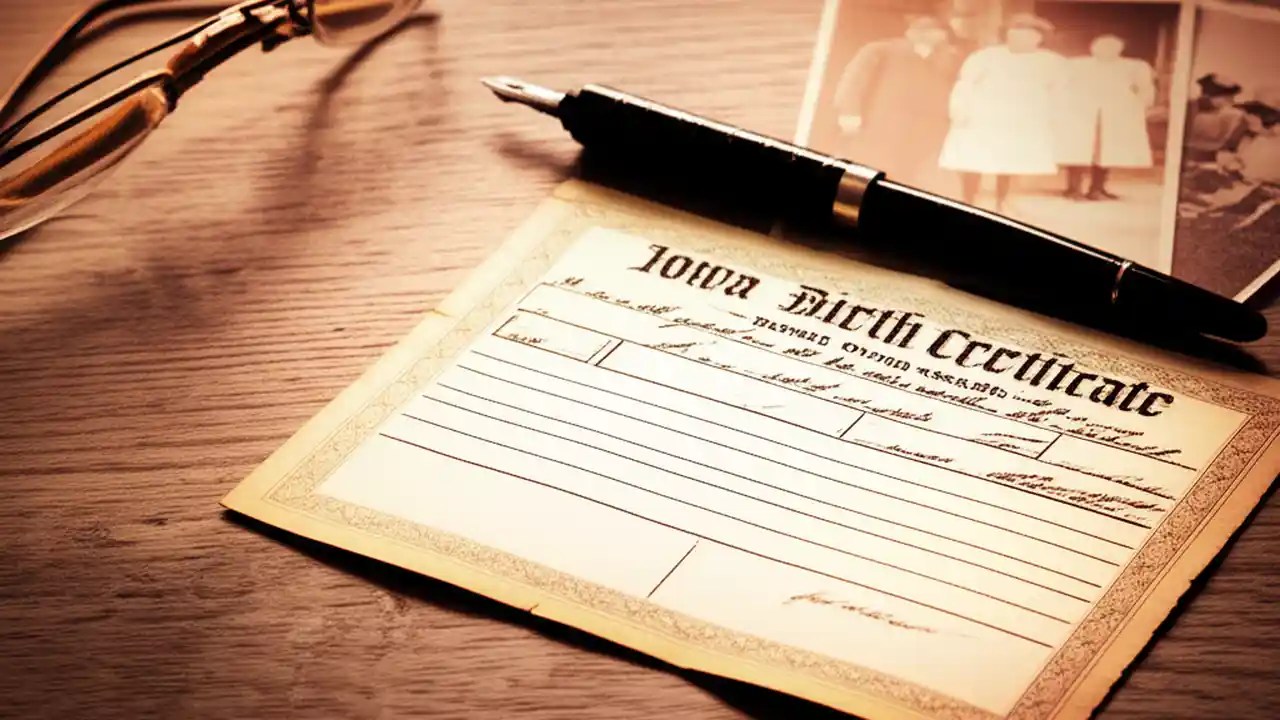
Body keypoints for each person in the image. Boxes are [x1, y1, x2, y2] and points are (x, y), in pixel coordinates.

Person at [938, 14, 1064, 213]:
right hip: (982, 117)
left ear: (1039, 38)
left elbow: (1059, 93)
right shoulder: (986, 57)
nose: (1019, 41)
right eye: (1014, 36)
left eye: (1027, 36)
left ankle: (1001, 202)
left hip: (1019, 120)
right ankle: (968, 200)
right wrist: (959, 110)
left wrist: (1053, 118)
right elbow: (965, 85)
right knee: (973, 159)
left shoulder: (1051, 61)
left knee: (1008, 161)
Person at [831, 15, 963, 194]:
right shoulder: (881, 50)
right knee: (861, 176)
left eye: (940, 33)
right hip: (876, 127)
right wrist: (849, 112)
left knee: (901, 181)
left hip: (917, 137)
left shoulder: (944, 61)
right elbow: (854, 81)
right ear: (912, 32)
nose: (938, 38)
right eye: (927, 31)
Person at [1055, 34, 1155, 201]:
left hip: (1114, 114)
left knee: (1107, 152)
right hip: (1081, 113)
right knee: (1078, 151)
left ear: (1119, 50)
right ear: (1092, 48)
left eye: (1111, 48)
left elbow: (1145, 90)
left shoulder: (1132, 66)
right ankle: (1073, 189)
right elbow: (1061, 86)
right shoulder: (1077, 64)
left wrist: (1141, 108)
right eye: (1101, 47)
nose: (1105, 51)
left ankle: (1097, 188)